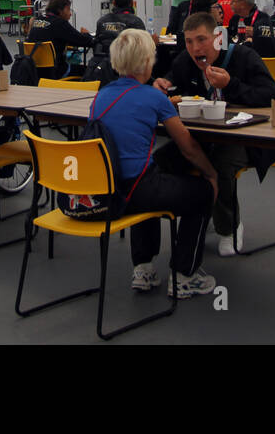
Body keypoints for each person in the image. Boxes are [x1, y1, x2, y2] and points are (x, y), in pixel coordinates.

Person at [90, 29, 218, 298]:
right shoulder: (154, 97)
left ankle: (144, 267)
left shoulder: (100, 96)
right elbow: (189, 148)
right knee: (203, 193)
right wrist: (211, 174)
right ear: (147, 62)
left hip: (109, 191)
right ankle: (185, 274)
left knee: (148, 179)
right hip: (139, 190)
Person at [153, 12, 275, 256]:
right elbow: (172, 79)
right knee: (160, 161)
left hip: (246, 138)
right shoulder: (184, 62)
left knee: (219, 164)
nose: (195, 47)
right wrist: (163, 84)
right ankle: (196, 212)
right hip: (201, 138)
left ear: (218, 38)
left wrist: (231, 85)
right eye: (189, 41)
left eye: (201, 40)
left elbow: (271, 96)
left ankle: (228, 228)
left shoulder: (244, 57)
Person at [25, 0, 95, 77]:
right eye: (68, 9)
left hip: (34, 70)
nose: (70, 13)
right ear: (60, 10)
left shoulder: (37, 20)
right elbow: (84, 41)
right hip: (55, 71)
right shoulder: (59, 23)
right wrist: (86, 34)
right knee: (90, 71)